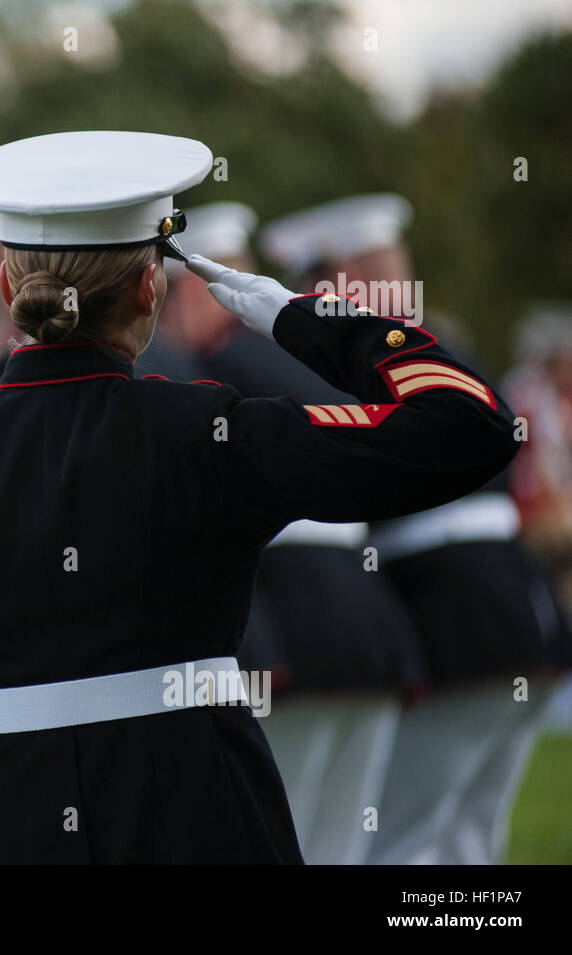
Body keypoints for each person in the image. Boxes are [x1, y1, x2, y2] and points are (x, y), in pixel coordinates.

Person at [0, 130, 518, 864]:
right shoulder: (210, 431)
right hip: (206, 818)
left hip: (13, 830)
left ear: (8, 288)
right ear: (149, 287)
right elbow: (472, 423)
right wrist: (298, 316)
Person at [262, 193, 568, 864]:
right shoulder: (441, 350)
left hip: (454, 616)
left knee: (401, 842)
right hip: (519, 610)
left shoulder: (372, 362)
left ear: (331, 281)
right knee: (469, 838)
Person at [167, 201, 424, 864]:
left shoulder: (213, 366)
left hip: (294, 626)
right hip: (373, 628)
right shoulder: (310, 360)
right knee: (341, 843)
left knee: (273, 837)